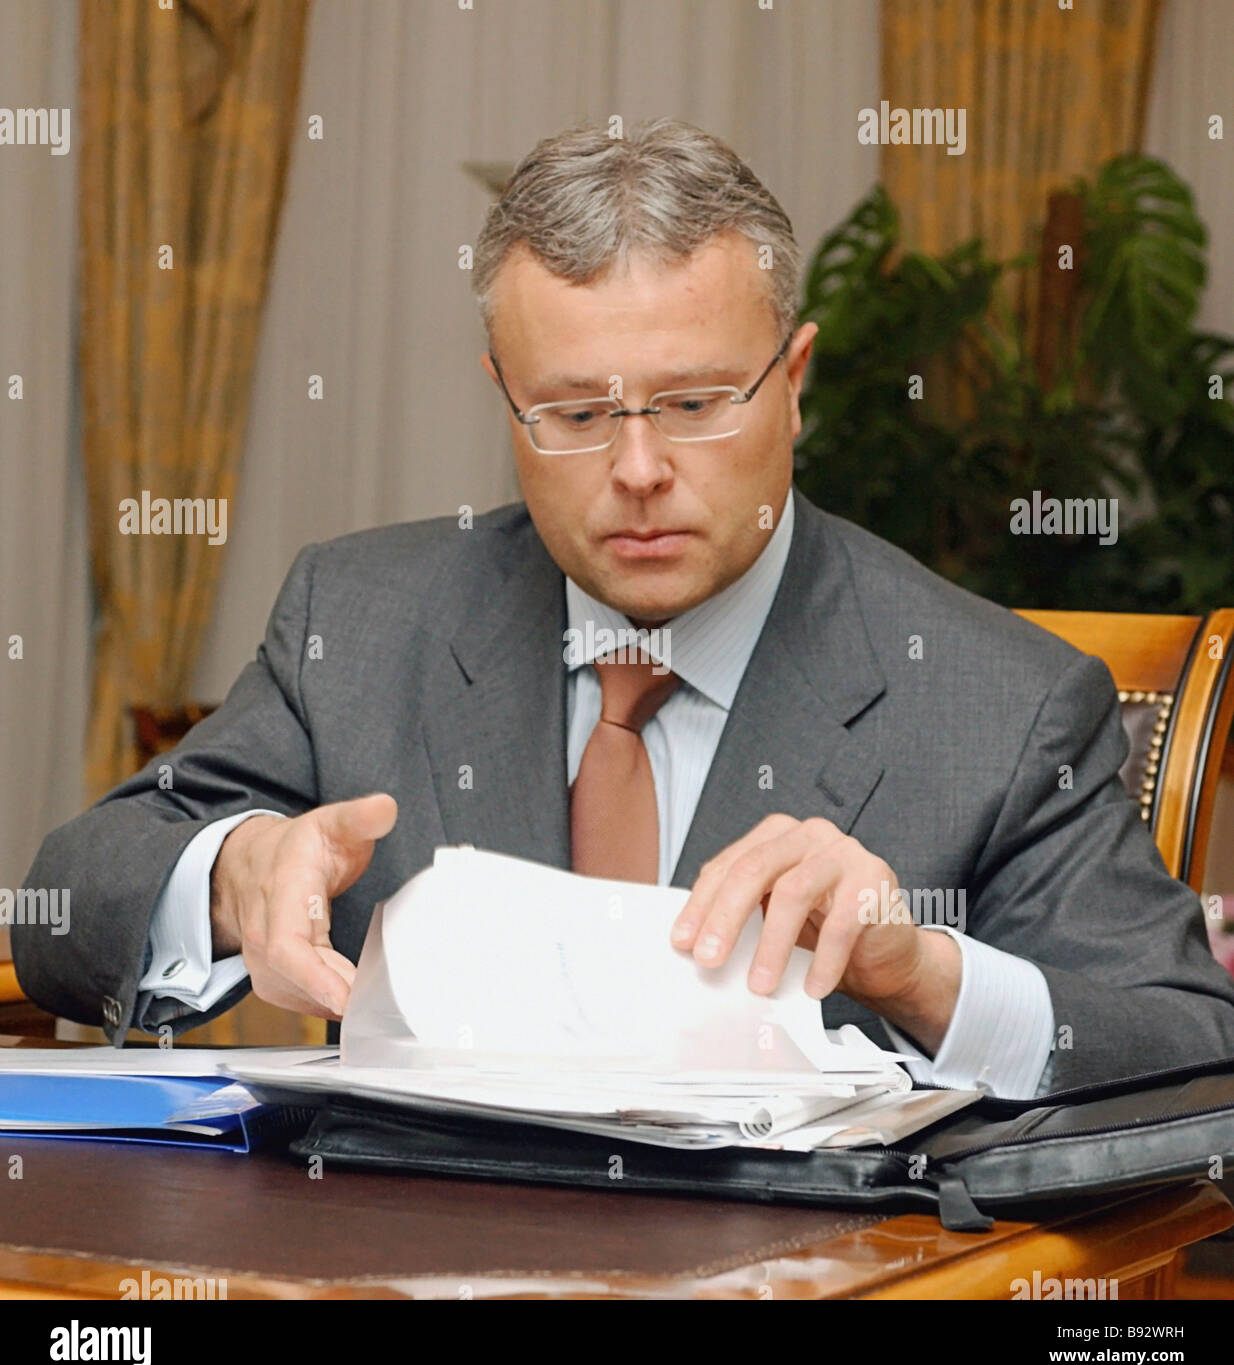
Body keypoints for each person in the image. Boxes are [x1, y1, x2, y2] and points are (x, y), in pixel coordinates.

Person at [16, 118, 1234, 1098]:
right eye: (579, 415)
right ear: (505, 399)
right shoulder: (364, 614)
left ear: (793, 383)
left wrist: (920, 973)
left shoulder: (994, 701)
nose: (639, 468)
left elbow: (1181, 1036)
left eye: (695, 403)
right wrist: (236, 871)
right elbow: (63, 914)